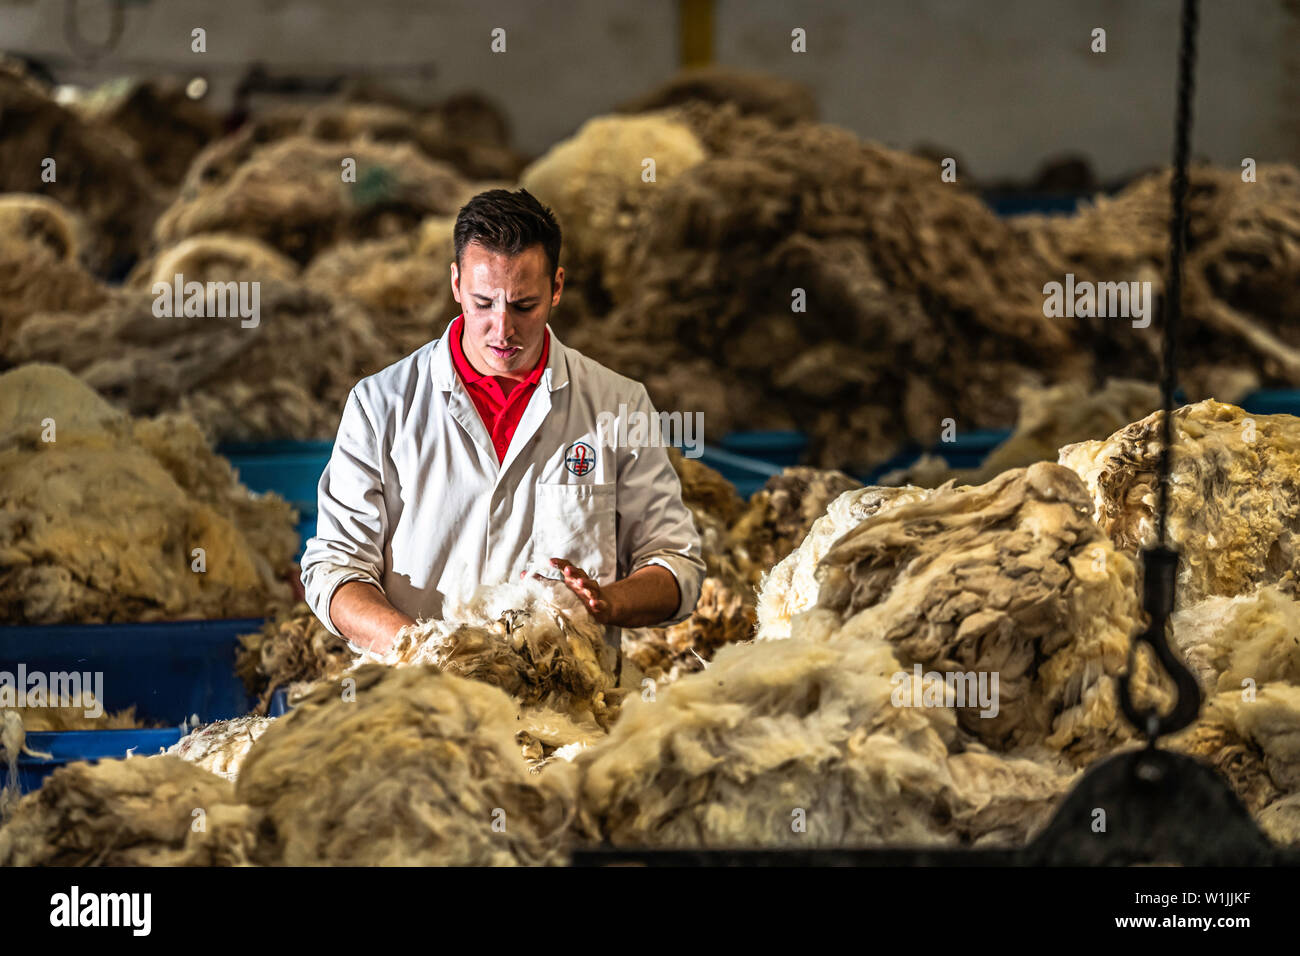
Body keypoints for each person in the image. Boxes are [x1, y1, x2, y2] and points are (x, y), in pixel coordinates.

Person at [300, 187, 704, 664]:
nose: (502, 328)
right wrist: (423, 650)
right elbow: (335, 569)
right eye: (483, 303)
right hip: (422, 704)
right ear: (456, 283)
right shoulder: (380, 406)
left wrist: (607, 601)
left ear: (556, 287)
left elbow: (678, 564)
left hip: (568, 708)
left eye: (524, 305)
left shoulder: (618, 404)